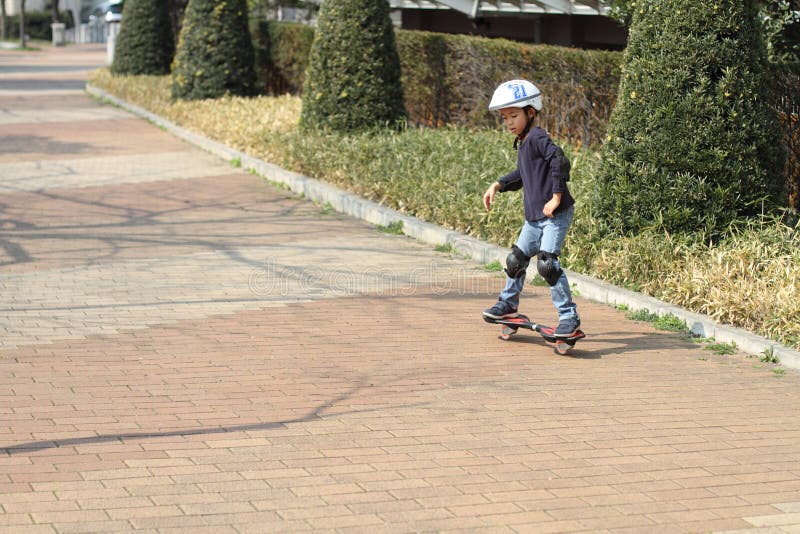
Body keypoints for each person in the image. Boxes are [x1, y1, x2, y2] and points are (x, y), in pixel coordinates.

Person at [482, 79, 580, 337]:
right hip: (534, 218)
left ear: (531, 112)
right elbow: (524, 173)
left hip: (554, 215)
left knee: (547, 264)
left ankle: (569, 317)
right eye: (505, 118)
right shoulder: (524, 141)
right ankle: (508, 304)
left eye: (514, 116)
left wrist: (556, 197)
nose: (509, 122)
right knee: (516, 260)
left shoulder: (536, 136)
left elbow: (559, 160)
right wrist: (499, 185)